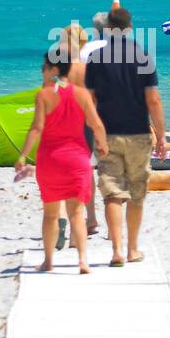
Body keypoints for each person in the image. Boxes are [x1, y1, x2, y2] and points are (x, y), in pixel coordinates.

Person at [84, 5, 165, 267]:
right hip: (139, 134)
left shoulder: (96, 59)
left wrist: (97, 132)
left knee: (113, 193)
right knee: (137, 194)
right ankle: (132, 249)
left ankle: (117, 251)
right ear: (129, 28)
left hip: (109, 135)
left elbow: (90, 101)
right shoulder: (142, 56)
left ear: (107, 29)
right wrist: (161, 135)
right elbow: (152, 100)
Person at [15, 50, 109, 274]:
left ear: (54, 69)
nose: (42, 70)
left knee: (50, 214)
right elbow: (96, 125)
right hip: (77, 160)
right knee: (77, 214)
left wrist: (22, 156)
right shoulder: (82, 94)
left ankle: (49, 261)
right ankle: (82, 261)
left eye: (45, 66)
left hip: (51, 160)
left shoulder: (44, 95)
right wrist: (103, 145)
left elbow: (36, 128)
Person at [60, 23, 100, 237]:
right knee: (89, 171)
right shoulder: (89, 64)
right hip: (91, 121)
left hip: (73, 124)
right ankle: (91, 217)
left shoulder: (66, 68)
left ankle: (71, 219)